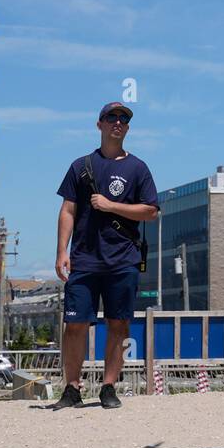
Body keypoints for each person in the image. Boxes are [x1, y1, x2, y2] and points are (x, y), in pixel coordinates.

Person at [52, 102, 158, 410]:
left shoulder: (138, 168)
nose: (118, 122)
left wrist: (112, 206)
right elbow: (68, 209)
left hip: (123, 258)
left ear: (127, 127)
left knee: (119, 324)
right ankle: (72, 388)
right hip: (84, 258)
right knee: (75, 324)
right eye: (111, 117)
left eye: (123, 118)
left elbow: (151, 210)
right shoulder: (80, 165)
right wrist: (62, 251)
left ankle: (109, 386)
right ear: (99, 124)